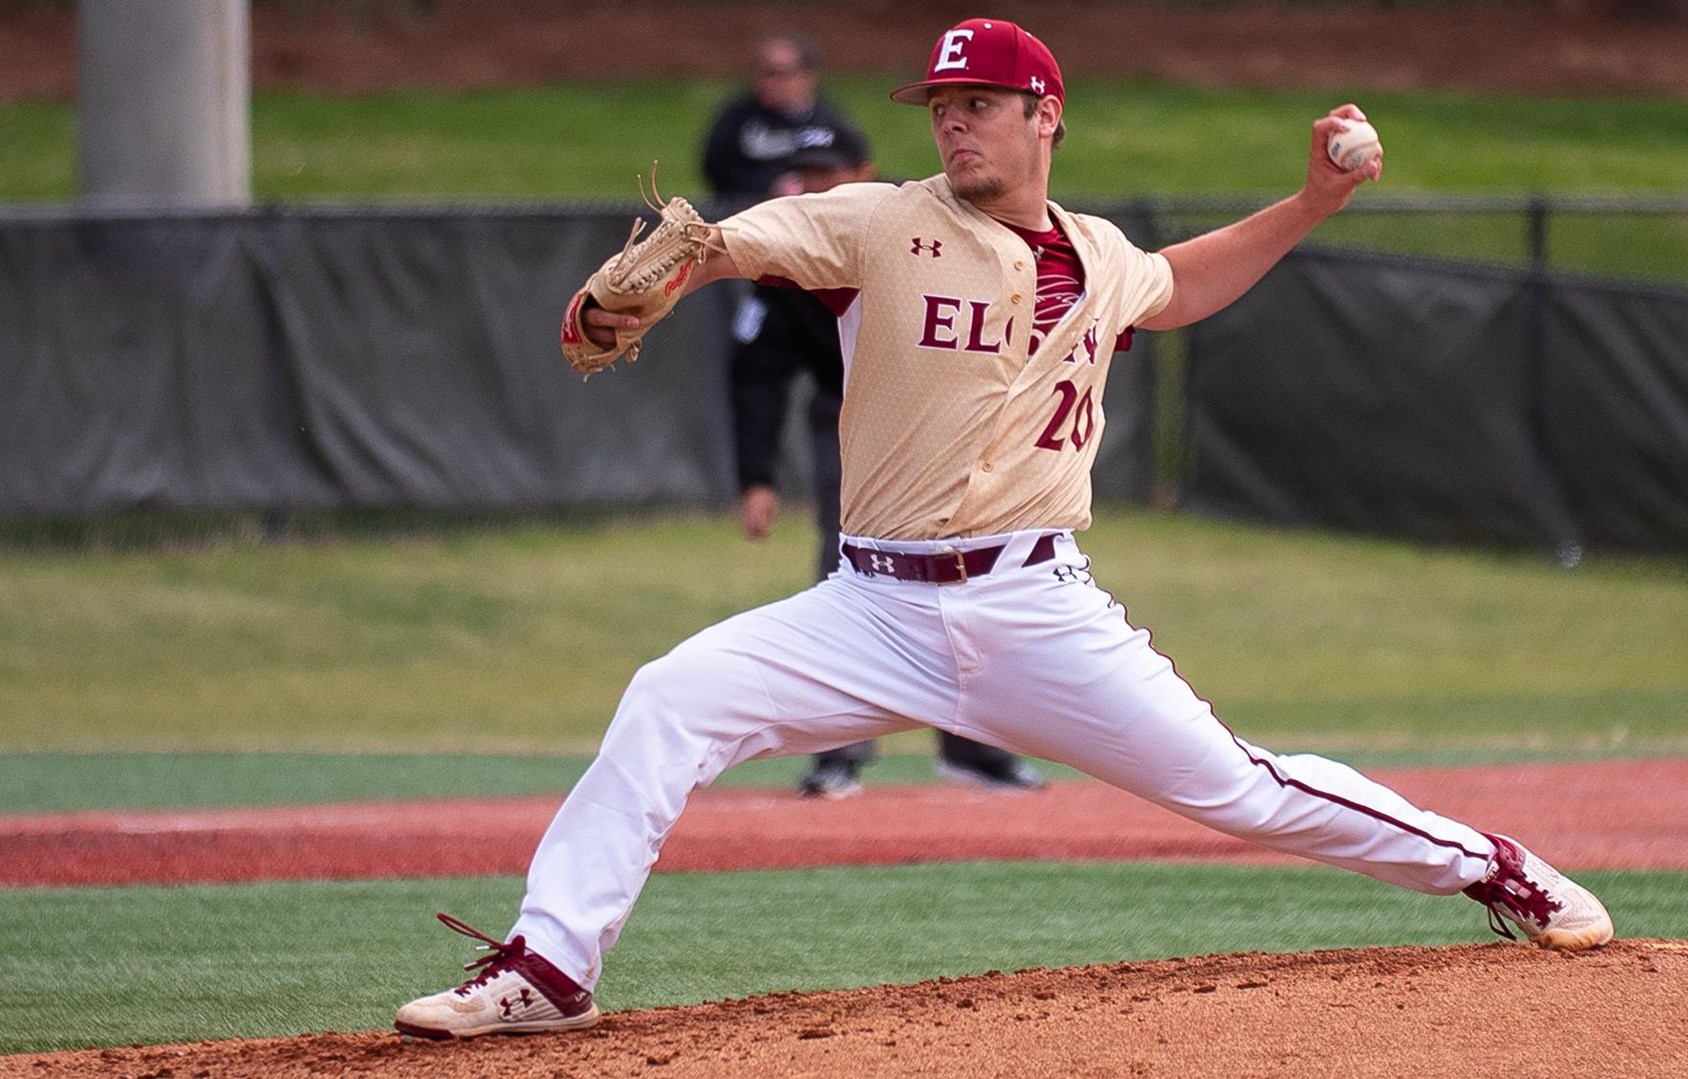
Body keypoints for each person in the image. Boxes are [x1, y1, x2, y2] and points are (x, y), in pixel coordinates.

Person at [394, 17, 1613, 1040]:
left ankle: (1492, 863)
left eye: (980, 101)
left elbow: (1181, 284)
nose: (954, 122)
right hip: (870, 606)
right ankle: (550, 969)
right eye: (941, 104)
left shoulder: (1097, 255)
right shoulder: (876, 221)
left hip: (1037, 610)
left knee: (1239, 789)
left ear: (1046, 115)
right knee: (671, 695)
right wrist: (670, 273)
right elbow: (732, 244)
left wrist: (1311, 199)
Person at [727, 116, 1048, 799]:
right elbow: (757, 372)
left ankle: (977, 747)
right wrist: (755, 476)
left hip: (953, 423)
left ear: (863, 173)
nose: (816, 186)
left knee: (981, 573)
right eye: (807, 175)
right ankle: (838, 750)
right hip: (848, 420)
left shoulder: (911, 234)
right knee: (850, 570)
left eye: (829, 174)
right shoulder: (788, 252)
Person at [701, 33, 853, 204]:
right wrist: (770, 186)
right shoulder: (738, 118)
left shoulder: (829, 122)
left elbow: (854, 170)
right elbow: (717, 170)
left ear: (807, 76)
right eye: (763, 72)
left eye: (778, 74)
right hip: (749, 209)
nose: (768, 83)